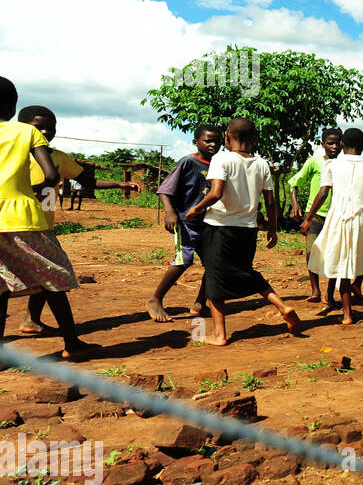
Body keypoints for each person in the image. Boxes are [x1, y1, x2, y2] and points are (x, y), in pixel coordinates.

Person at [18, 105, 141, 334]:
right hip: (13, 224)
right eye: (39, 127)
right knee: (49, 274)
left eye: (50, 128)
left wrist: (119, 183)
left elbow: (88, 181)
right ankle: (68, 339)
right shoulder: (10, 154)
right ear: (22, 128)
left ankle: (31, 320)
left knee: (47, 274)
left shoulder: (58, 158)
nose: (45, 132)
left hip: (43, 226)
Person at [0, 77, 95, 360]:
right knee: (54, 278)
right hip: (23, 218)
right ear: (12, 105)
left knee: (1, 288)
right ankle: (71, 343)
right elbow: (51, 175)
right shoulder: (26, 133)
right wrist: (35, 190)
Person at [185, 118, 301, 345]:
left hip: (219, 227)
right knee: (246, 271)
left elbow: (216, 193)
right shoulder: (262, 164)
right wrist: (273, 229)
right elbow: (271, 201)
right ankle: (282, 306)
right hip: (248, 230)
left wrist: (197, 208)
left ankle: (220, 335)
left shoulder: (221, 158)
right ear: (254, 140)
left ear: (227, 137)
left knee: (214, 277)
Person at [300, 128, 363, 326]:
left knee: (342, 264)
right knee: (351, 260)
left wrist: (308, 217)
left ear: (342, 144)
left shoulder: (331, 166)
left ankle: (347, 314)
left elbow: (322, 193)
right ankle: (348, 294)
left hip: (339, 218)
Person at [146, 125, 222, 323]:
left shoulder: (219, 164)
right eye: (208, 140)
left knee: (214, 264)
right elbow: (164, 190)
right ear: (196, 142)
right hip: (186, 222)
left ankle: (199, 303)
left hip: (209, 222)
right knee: (183, 260)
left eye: (217, 140)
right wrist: (170, 213)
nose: (214, 144)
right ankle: (155, 299)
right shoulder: (188, 162)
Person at [288, 128, 343, 307]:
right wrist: (295, 204)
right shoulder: (314, 162)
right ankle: (315, 290)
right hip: (316, 216)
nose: (334, 147)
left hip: (336, 216)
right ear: (323, 144)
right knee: (312, 253)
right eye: (330, 143)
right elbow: (294, 182)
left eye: (337, 143)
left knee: (334, 256)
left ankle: (329, 293)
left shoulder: (344, 164)